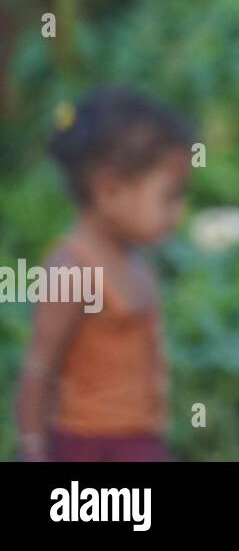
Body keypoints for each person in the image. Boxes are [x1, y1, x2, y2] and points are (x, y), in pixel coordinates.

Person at [15, 86, 195, 462]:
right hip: (87, 446)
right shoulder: (73, 268)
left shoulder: (137, 261)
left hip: (140, 441)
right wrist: (32, 448)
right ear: (110, 189)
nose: (178, 211)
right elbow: (40, 367)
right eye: (170, 196)